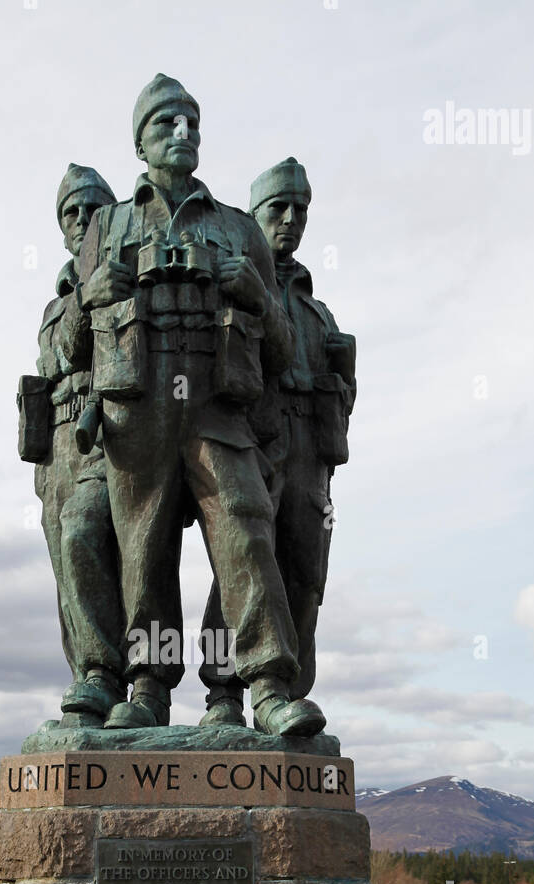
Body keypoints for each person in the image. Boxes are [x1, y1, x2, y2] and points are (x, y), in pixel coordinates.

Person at [59, 76, 326, 737]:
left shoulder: (238, 228)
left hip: (215, 408)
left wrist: (260, 300)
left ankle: (266, 686)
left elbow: (283, 349)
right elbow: (70, 349)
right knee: (143, 554)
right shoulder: (108, 224)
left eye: (191, 123)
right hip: (137, 408)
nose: (183, 134)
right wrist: (91, 296)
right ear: (140, 141)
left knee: (246, 534)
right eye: (166, 123)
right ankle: (147, 688)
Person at [199, 157, 356, 718]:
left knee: (305, 572)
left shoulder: (319, 313)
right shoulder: (234, 283)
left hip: (311, 449)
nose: (290, 219)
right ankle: (224, 692)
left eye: (300, 210)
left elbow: (346, 392)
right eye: (277, 208)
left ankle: (289, 695)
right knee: (240, 561)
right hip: (254, 438)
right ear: (254, 215)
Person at [27, 164, 127, 726]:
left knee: (86, 535)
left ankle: (106, 672)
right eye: (72, 212)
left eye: (93, 209)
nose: (83, 220)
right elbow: (54, 363)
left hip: (108, 434)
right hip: (56, 448)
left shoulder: (118, 278)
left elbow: (84, 353)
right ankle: (89, 688)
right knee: (67, 573)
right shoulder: (56, 301)